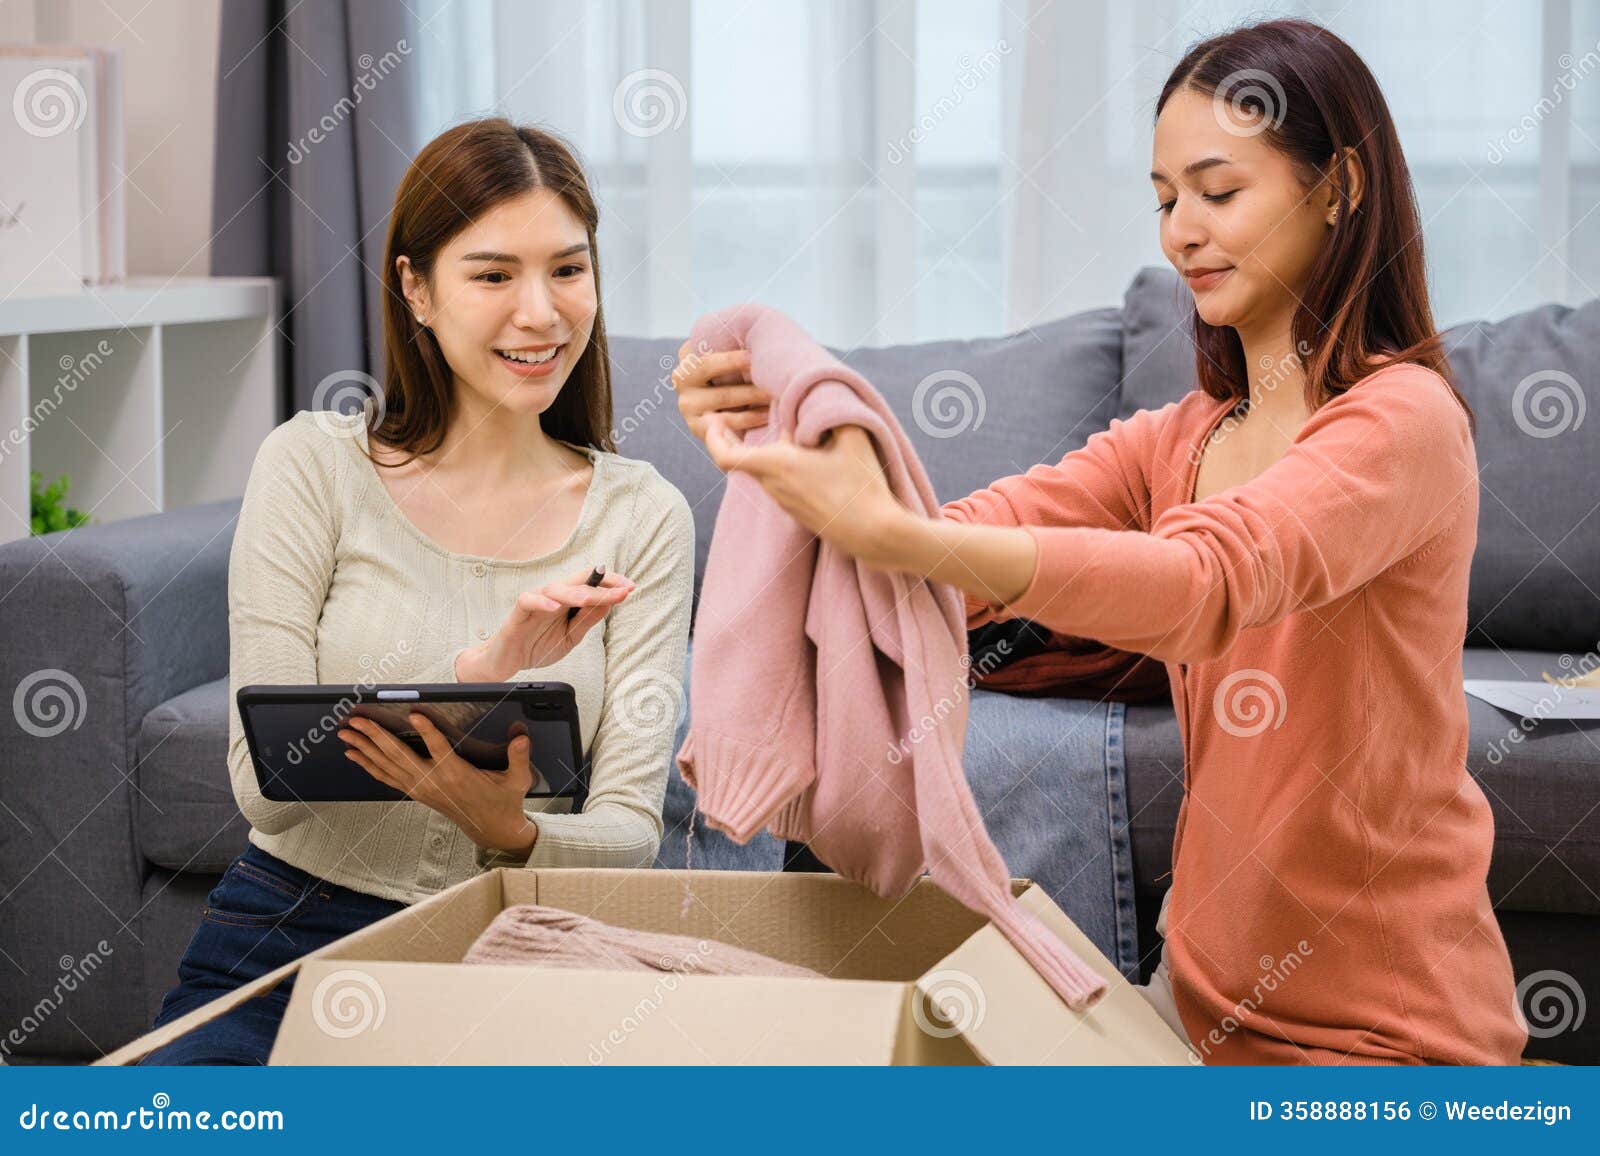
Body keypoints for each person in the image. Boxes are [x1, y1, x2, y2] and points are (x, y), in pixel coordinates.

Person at [670, 19, 1526, 1065]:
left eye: (1218, 192)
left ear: (1338, 186)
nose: (1181, 233)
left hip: (1389, 1031)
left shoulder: (1404, 422)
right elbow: (952, 550)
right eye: (1165, 200)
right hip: (1194, 999)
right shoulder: (1179, 437)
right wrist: (791, 435)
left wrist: (903, 538)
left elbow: (1209, 577)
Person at [140, 118, 694, 1065]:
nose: (542, 313)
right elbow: (264, 793)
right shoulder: (313, 466)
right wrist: (481, 674)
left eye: (568, 269)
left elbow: (629, 832)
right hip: (294, 932)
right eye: (492, 275)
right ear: (416, 288)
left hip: (524, 950)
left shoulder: (642, 515)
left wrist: (510, 833)